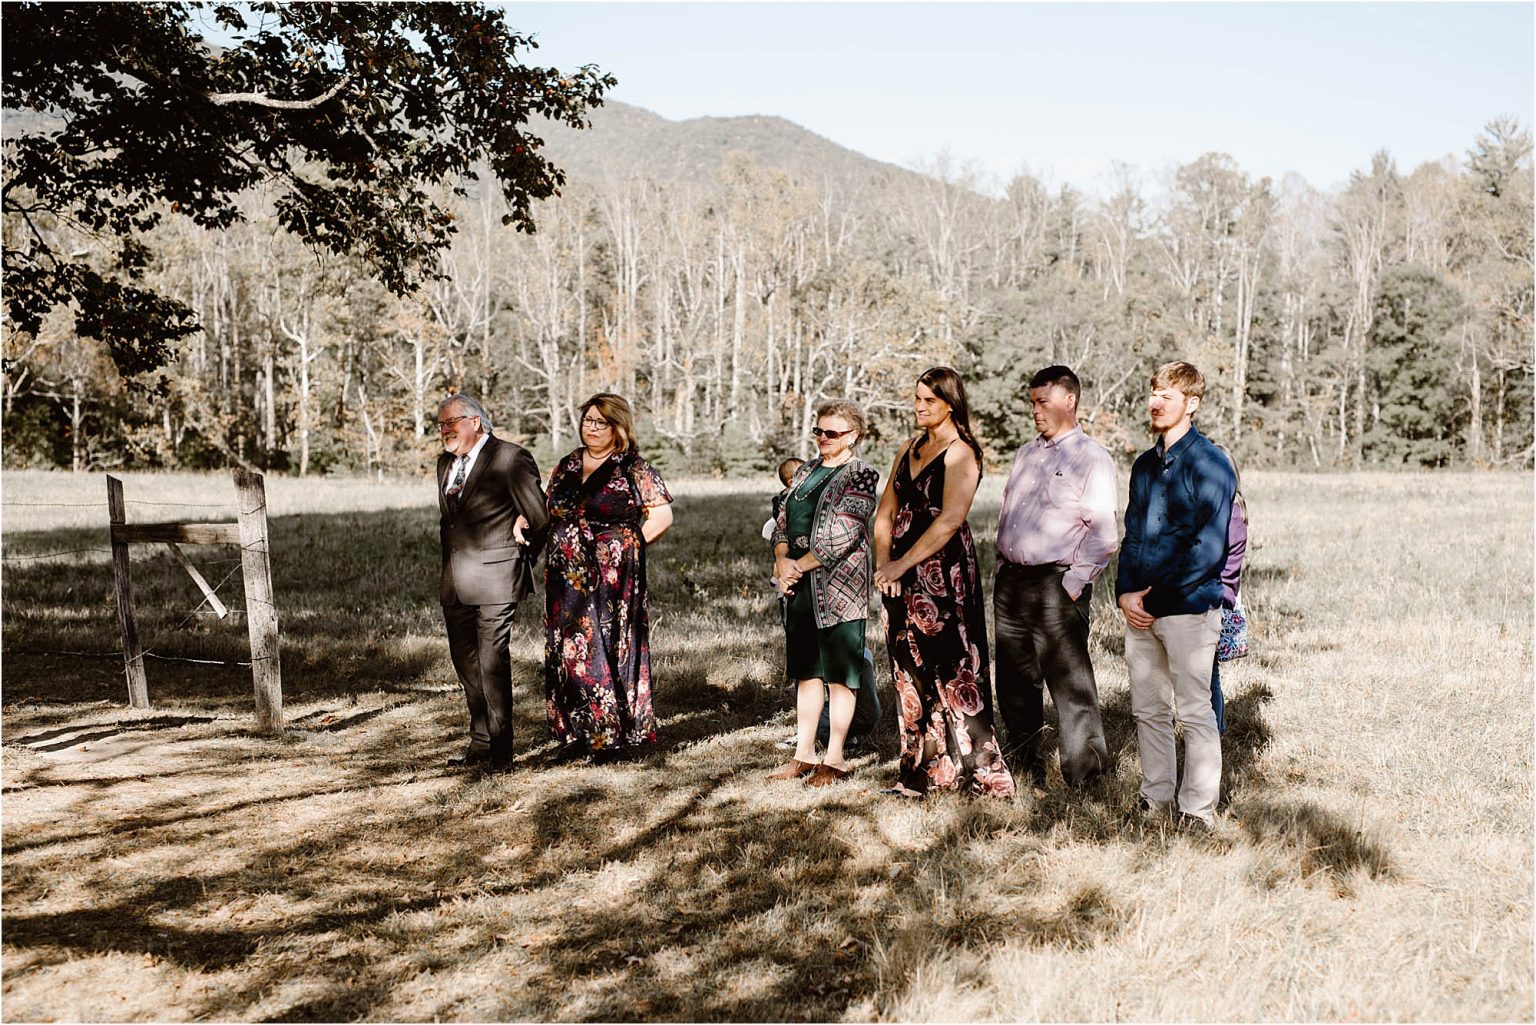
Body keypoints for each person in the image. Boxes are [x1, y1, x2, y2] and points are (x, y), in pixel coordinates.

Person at [873, 367, 1014, 799]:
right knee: (908, 671)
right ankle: (921, 773)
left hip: (943, 574)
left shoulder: (961, 453)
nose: (919, 406)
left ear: (950, 404)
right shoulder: (908, 448)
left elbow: (950, 520)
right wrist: (885, 563)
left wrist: (903, 565)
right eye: (916, 398)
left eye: (928, 400)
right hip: (898, 574)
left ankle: (983, 773)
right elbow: (885, 512)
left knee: (954, 670)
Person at [1116, 361, 1236, 829]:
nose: (1157, 401)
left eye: (1168, 394)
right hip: (1140, 611)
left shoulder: (1210, 463)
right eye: (1153, 392)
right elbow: (1131, 536)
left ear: (1193, 402)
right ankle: (1156, 798)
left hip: (1186, 607)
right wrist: (1126, 593)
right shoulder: (1145, 465)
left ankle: (1197, 810)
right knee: (1148, 709)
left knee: (1193, 709)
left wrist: (1154, 596)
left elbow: (1209, 549)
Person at [993, 365, 1119, 793]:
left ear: (1069, 400)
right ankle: (1024, 767)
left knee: (1069, 685)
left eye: (1042, 401)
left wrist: (1073, 583)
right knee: (1012, 680)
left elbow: (1103, 532)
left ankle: (1086, 777)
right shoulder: (1027, 453)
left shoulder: (1092, 457)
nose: (1035, 411)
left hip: (1056, 583)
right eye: (1031, 402)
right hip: (1011, 582)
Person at [541, 393, 674, 762]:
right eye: (587, 421)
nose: (592, 428)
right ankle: (573, 735)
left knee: (605, 644)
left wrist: (624, 552)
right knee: (568, 649)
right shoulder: (568, 464)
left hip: (613, 579)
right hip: (565, 576)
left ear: (619, 427)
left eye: (601, 422)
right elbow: (546, 506)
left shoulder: (632, 467)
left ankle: (612, 737)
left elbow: (661, 516)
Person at [435, 393, 549, 774]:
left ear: (476, 422)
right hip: (455, 582)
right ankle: (480, 743)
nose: (445, 431)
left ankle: (501, 754)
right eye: (441, 425)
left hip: (497, 580)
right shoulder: (444, 465)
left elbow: (539, 517)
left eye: (452, 422)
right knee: (466, 665)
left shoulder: (511, 458)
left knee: (491, 663)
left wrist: (519, 559)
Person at [768, 399, 879, 787]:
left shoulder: (861, 474)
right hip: (798, 585)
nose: (823, 439)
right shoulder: (806, 472)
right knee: (807, 673)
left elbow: (845, 534)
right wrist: (782, 560)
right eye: (818, 431)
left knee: (839, 674)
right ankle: (803, 754)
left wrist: (798, 565)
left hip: (840, 588)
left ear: (854, 435)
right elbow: (781, 520)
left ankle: (835, 758)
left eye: (833, 433)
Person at [1210, 446, 1249, 734]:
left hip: (1217, 600)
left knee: (1208, 673)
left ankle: (1215, 728)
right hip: (1209, 597)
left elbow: (1230, 567)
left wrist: (1219, 601)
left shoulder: (1233, 512)